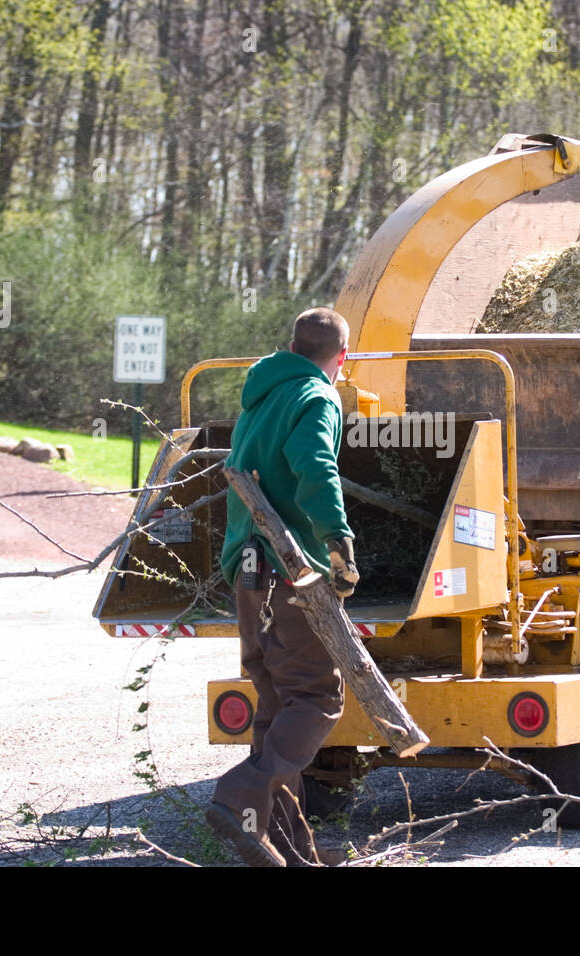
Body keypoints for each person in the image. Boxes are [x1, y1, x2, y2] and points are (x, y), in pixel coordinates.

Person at [207, 306, 359, 867]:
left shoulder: (262, 395)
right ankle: (239, 795)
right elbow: (315, 467)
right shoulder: (317, 398)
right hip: (290, 570)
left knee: (275, 710)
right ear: (341, 358)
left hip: (246, 571)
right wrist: (338, 542)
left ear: (291, 345)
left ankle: (281, 846)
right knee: (318, 698)